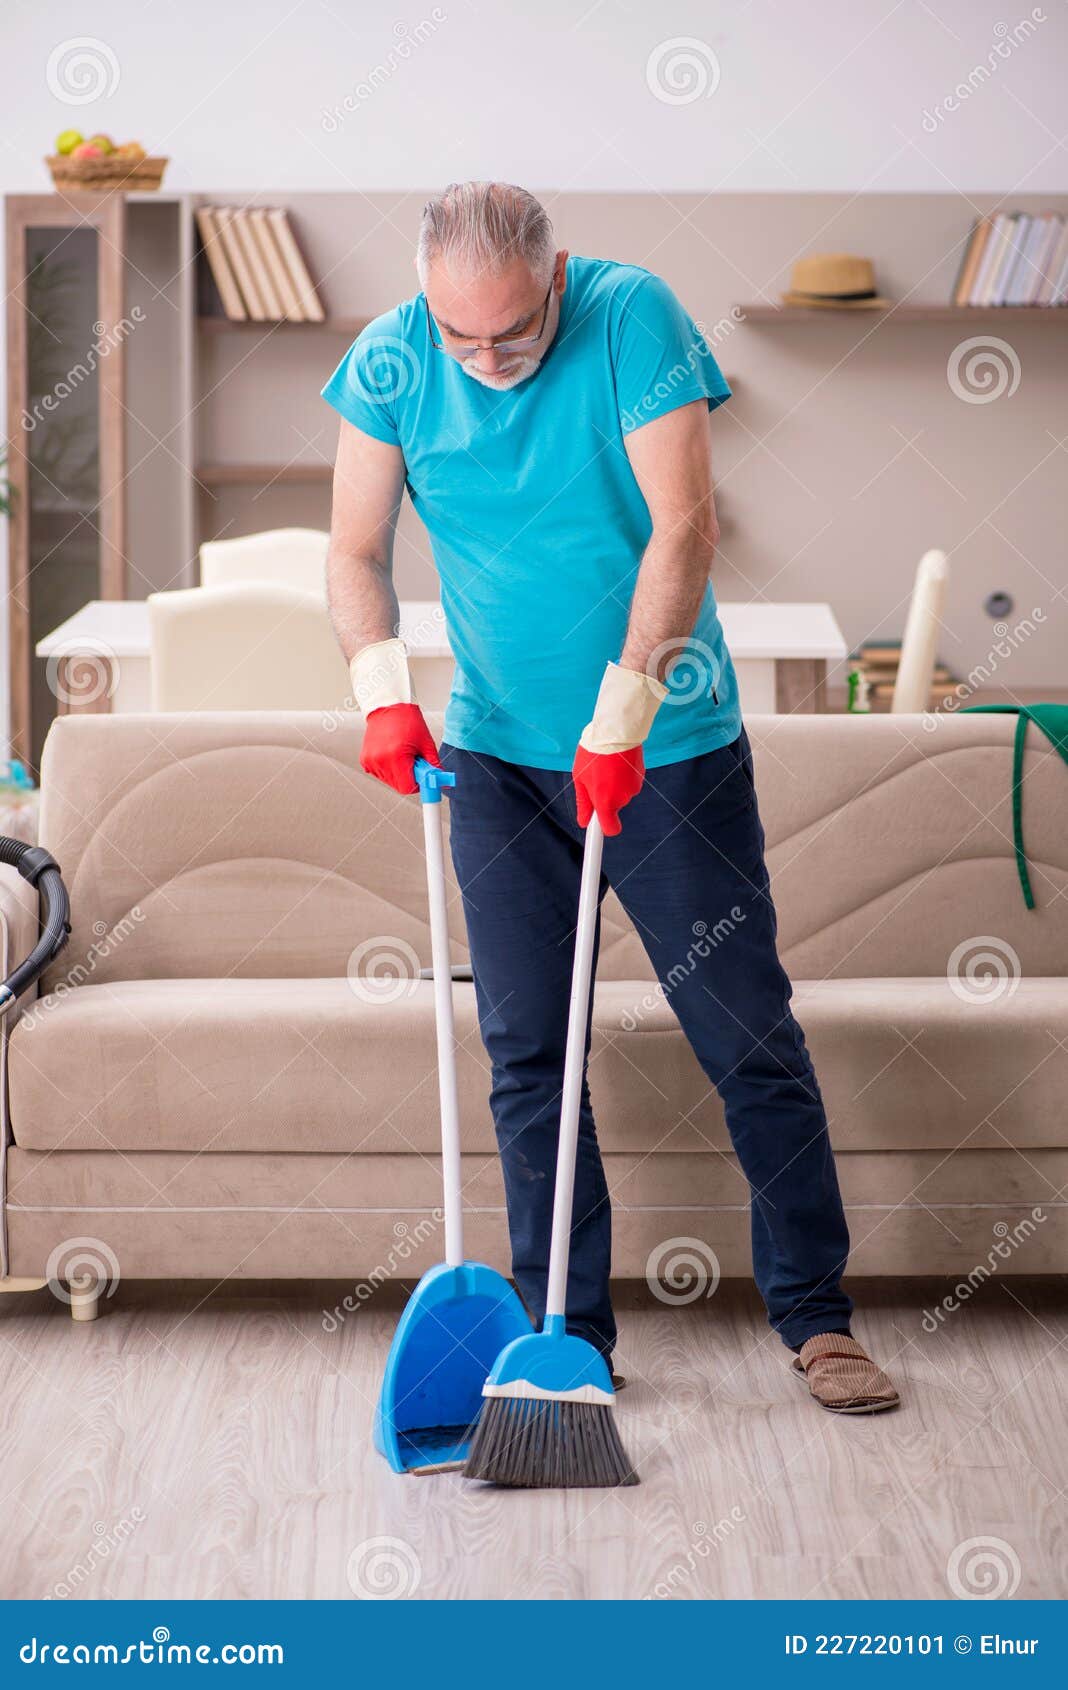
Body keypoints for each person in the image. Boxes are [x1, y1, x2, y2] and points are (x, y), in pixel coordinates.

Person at [323, 181, 898, 1415]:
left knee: (744, 1031)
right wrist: (381, 687)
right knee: (531, 1052)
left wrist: (626, 707)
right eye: (457, 336)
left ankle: (816, 1316)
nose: (485, 361)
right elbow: (354, 550)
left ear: (557, 276)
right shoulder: (388, 359)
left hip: (665, 745)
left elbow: (683, 527)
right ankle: (563, 1329)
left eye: (512, 334)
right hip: (495, 758)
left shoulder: (632, 316)